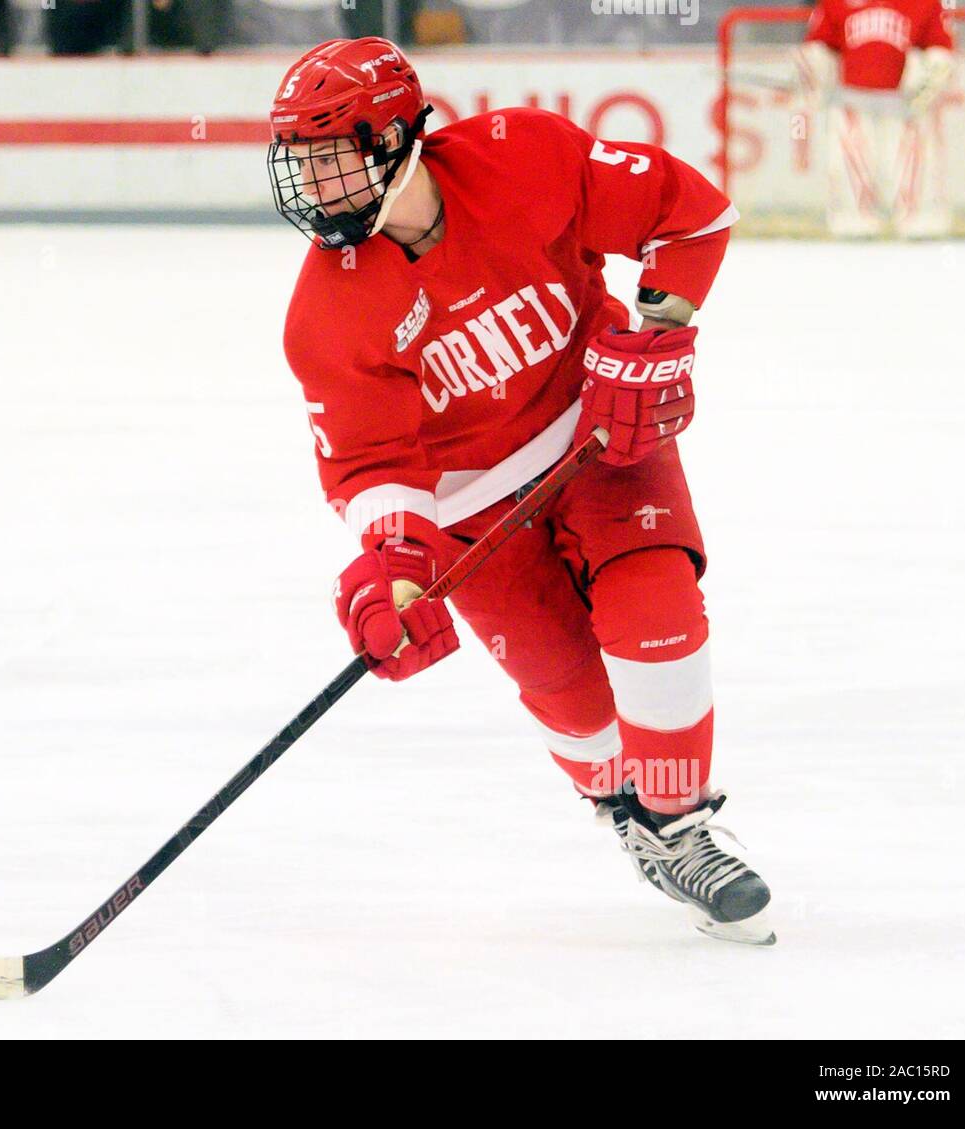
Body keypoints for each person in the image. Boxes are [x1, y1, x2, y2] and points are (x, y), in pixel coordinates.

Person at [268, 37, 774, 945]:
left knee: (655, 606)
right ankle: (628, 812)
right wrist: (393, 565)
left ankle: (682, 826)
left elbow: (688, 215)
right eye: (298, 165)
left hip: (598, 435)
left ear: (393, 138)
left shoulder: (525, 157)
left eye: (329, 158)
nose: (311, 188)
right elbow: (370, 460)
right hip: (471, 508)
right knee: (573, 694)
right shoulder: (326, 314)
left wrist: (658, 332)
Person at [797, 0, 955, 237]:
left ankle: (918, 216)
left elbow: (939, 44)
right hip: (852, 100)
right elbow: (821, 44)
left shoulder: (925, 3)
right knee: (851, 159)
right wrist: (814, 68)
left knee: (913, 160)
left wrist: (934, 66)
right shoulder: (836, 2)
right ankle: (853, 216)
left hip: (904, 104)